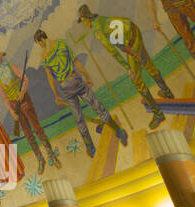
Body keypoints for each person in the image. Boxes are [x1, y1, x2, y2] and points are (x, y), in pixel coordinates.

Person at [35, 29, 128, 157]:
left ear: (40, 41)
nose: (40, 46)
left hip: (65, 87)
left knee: (79, 118)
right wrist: (87, 76)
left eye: (38, 43)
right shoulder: (61, 44)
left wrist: (56, 95)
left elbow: (50, 78)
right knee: (97, 106)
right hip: (76, 80)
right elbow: (76, 62)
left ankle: (91, 149)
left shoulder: (44, 56)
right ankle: (119, 133)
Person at [77, 3, 170, 127]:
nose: (84, 24)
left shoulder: (97, 29)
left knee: (137, 81)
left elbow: (113, 51)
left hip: (131, 43)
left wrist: (127, 68)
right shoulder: (101, 19)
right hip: (134, 32)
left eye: (83, 21)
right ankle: (167, 92)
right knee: (148, 65)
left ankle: (158, 114)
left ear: (88, 18)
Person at [0, 46, 60, 172]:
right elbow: (3, 96)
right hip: (14, 105)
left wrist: (22, 92)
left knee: (37, 127)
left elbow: (25, 79)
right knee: (27, 133)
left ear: (1, 56)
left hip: (24, 100)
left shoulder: (10, 66)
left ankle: (51, 154)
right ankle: (40, 159)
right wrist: (11, 111)